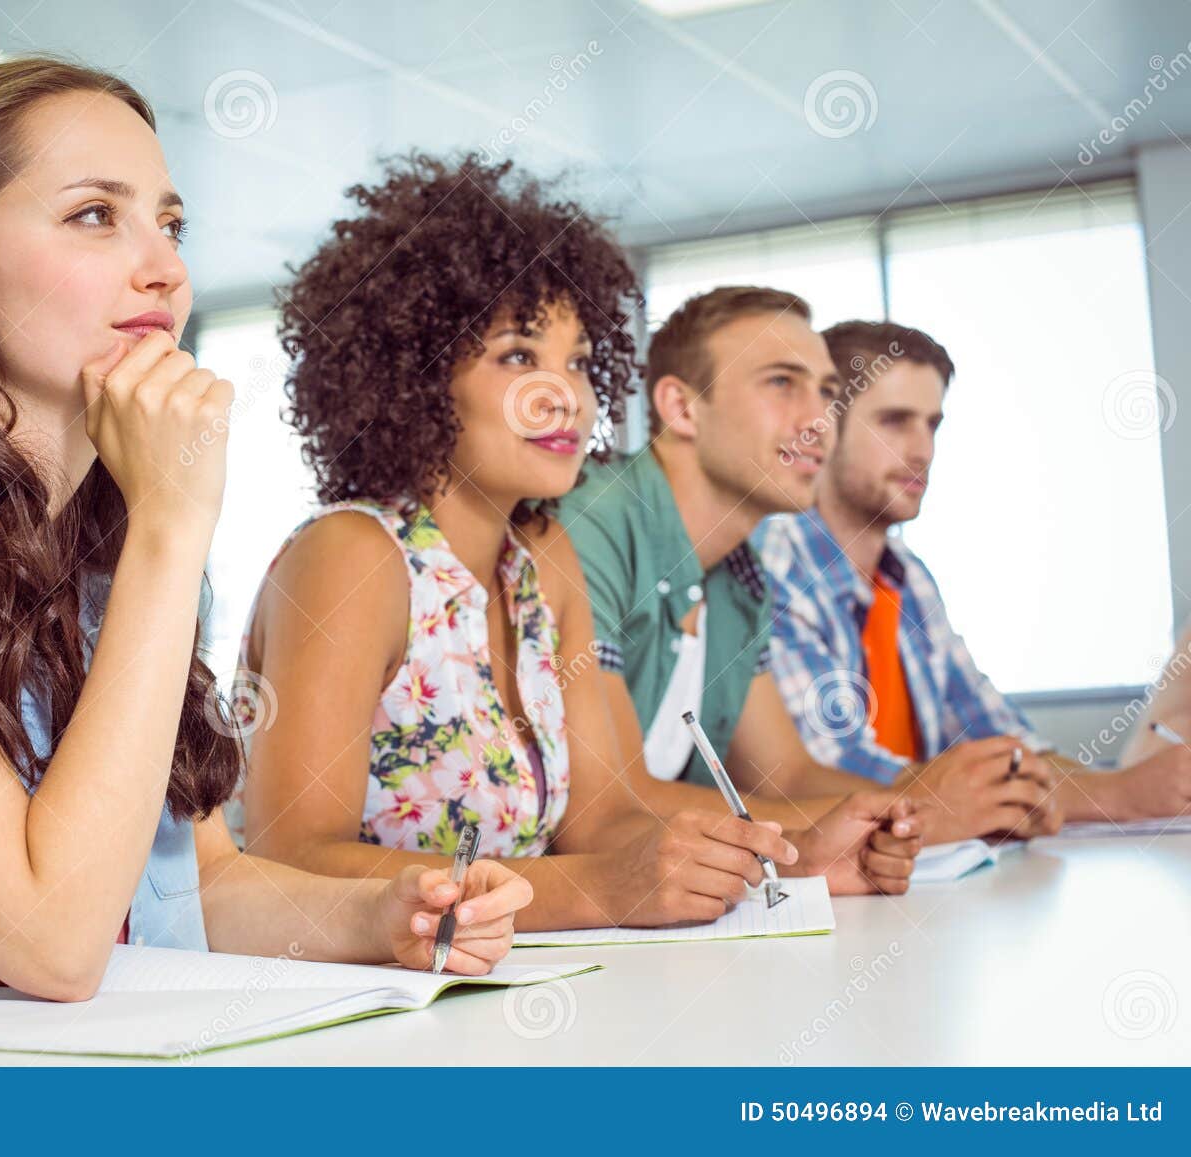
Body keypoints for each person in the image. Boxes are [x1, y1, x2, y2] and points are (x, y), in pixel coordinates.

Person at [0, 58, 531, 1048]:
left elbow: (199, 882)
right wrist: (173, 526)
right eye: (93, 215)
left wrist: (377, 917)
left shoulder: (126, 544)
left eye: (169, 223)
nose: (163, 267)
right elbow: (54, 940)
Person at [237, 158, 920, 933]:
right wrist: (594, 890)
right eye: (519, 356)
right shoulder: (350, 557)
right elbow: (289, 858)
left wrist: (788, 858)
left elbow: (605, 820)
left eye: (580, 361)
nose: (568, 392)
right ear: (416, 379)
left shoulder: (543, 559)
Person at [556, 287, 1059, 844]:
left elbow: (785, 776)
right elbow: (614, 806)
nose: (822, 421)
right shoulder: (591, 524)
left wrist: (923, 809)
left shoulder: (739, 577)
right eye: (781, 383)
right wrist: (923, 812)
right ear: (682, 407)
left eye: (826, 393)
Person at [757, 319, 1191, 823]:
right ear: (823, 427)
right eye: (895, 420)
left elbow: (1006, 744)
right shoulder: (776, 562)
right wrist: (1111, 796)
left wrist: (1123, 786)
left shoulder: (908, 578)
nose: (922, 450)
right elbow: (832, 777)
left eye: (932, 424)